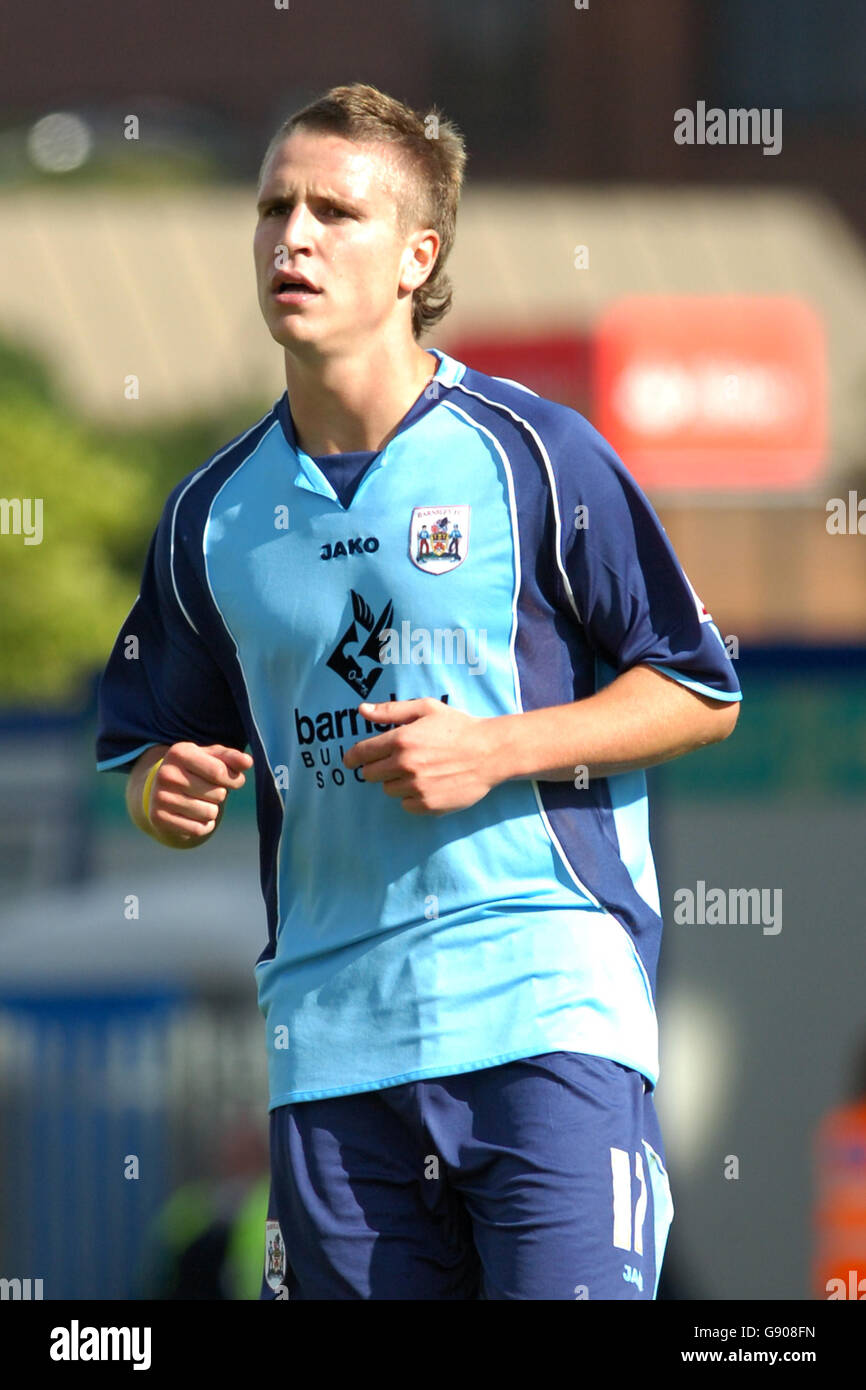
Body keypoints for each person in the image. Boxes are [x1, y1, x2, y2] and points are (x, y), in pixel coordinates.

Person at [95, 82, 742, 1301]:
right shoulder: (209, 517)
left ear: (415, 256)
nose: (291, 236)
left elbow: (701, 691)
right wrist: (160, 789)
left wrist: (496, 748)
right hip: (328, 1048)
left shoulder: (537, 456)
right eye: (274, 206)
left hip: (544, 1013)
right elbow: (146, 749)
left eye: (334, 211)